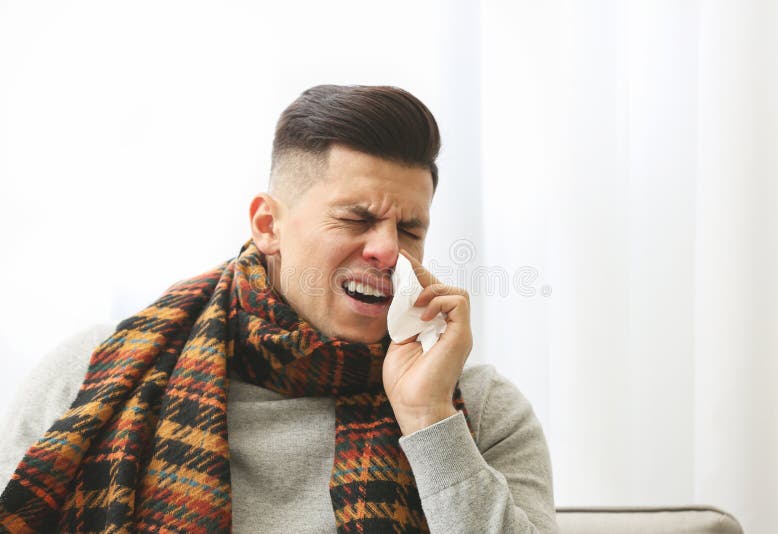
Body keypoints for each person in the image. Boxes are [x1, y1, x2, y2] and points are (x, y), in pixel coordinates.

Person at [0, 85, 557, 533]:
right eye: (357, 218)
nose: (389, 251)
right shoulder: (90, 374)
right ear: (269, 226)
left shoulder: (479, 412)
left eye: (410, 229)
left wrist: (429, 419)